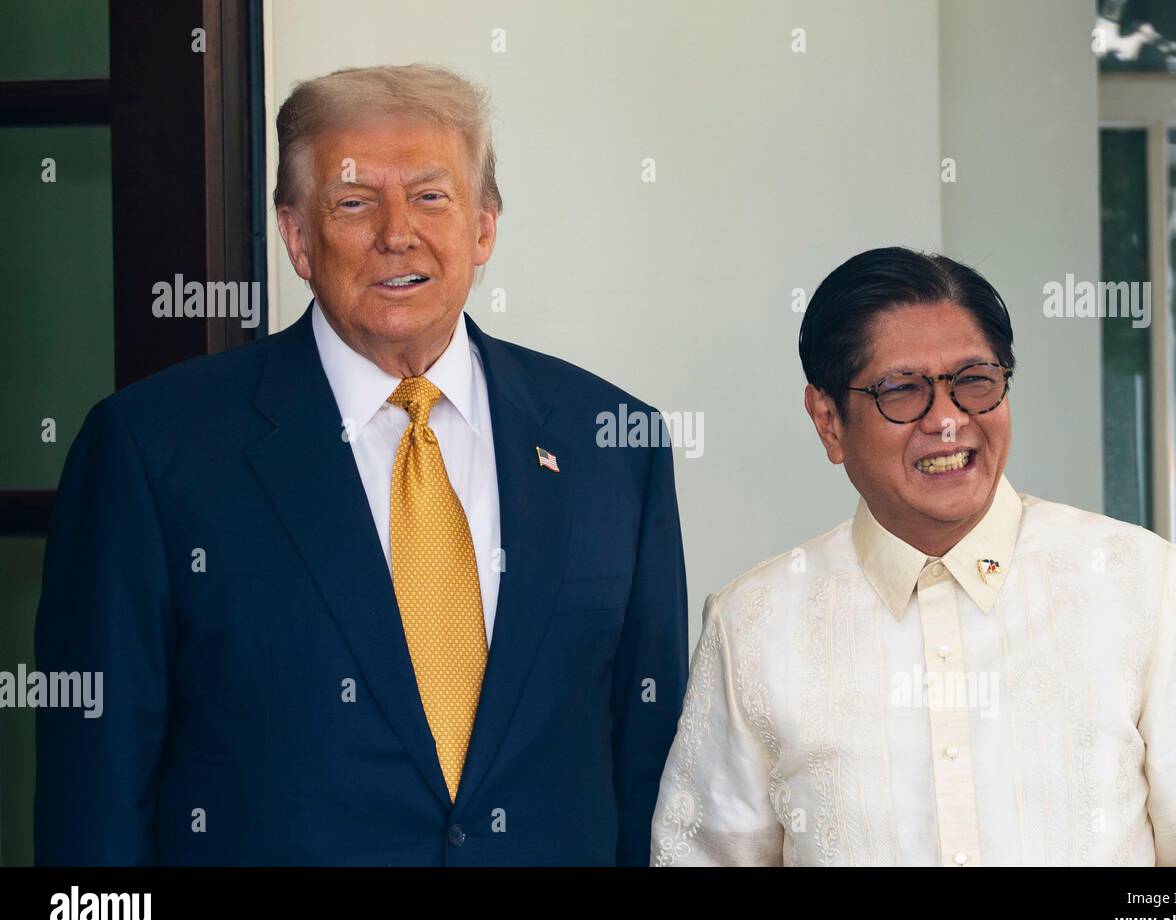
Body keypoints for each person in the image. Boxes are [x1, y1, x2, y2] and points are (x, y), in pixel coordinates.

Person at [35, 64, 688, 866]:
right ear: (297, 237)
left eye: (431, 196)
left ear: (484, 227)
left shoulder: (613, 444)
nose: (397, 233)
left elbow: (651, 775)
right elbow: (93, 797)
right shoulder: (151, 450)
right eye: (353, 202)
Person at [651, 246, 1176, 866]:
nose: (949, 419)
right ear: (827, 420)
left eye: (974, 382)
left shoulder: (1135, 582)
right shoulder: (755, 624)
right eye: (902, 391)